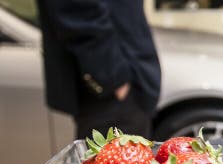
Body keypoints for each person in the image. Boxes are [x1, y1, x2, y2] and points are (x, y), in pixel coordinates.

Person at [36, 0, 161, 140]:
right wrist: (114, 77)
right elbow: (76, 8)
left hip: (125, 79)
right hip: (112, 87)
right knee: (112, 158)